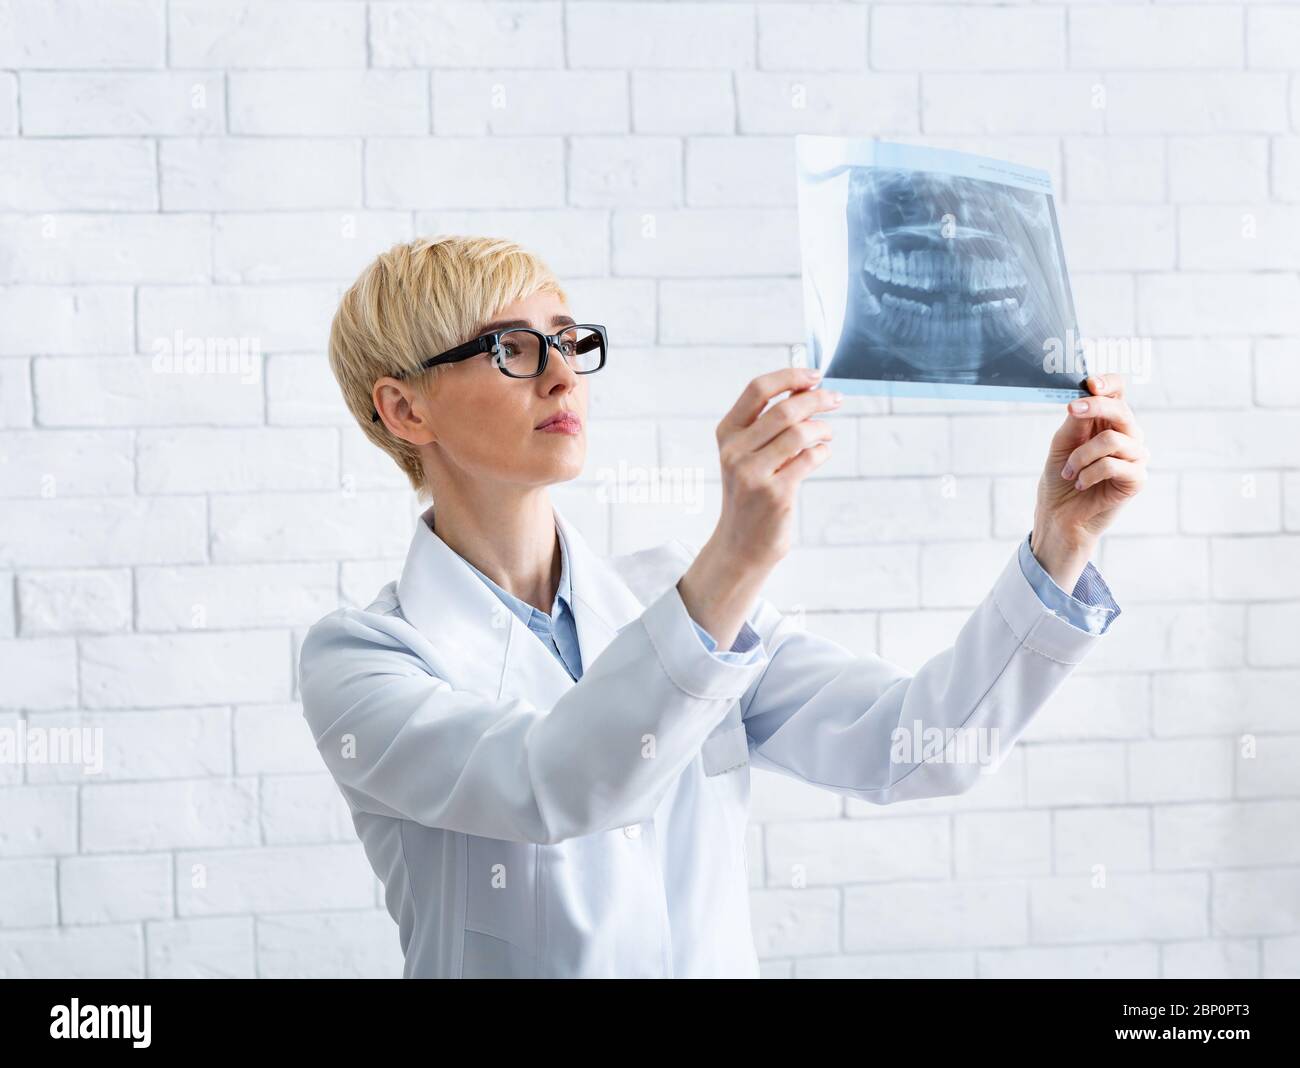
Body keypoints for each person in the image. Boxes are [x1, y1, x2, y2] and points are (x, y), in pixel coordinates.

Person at [299, 235, 1148, 979]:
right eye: (512, 350)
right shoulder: (363, 660)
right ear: (405, 408)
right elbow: (550, 785)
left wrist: (1060, 544)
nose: (562, 375)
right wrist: (737, 556)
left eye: (569, 341)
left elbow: (920, 748)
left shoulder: (667, 594)